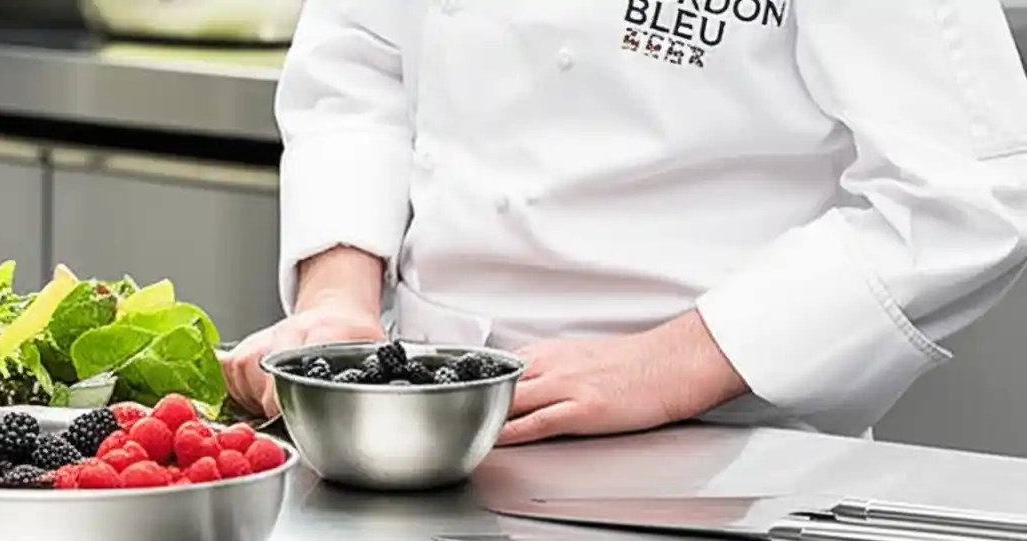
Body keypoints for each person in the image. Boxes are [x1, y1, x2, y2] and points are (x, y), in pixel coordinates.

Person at [224, 0, 1027, 446]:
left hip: (727, 471)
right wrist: (339, 303)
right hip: (424, 438)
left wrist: (668, 365)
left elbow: (967, 194)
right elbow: (359, 64)